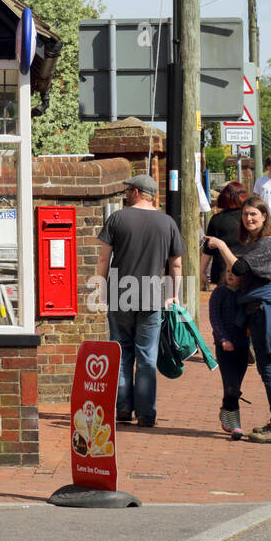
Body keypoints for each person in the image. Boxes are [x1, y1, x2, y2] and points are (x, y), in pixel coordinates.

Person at [96, 174, 185, 428]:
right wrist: (172, 295)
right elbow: (175, 264)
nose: (125, 195)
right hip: (152, 296)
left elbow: (104, 259)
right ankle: (146, 414)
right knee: (147, 357)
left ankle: (123, 408)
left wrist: (102, 289)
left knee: (122, 354)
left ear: (136, 192)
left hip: (120, 295)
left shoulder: (117, 219)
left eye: (127, 191)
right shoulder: (167, 223)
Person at [206, 197, 271, 443]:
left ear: (264, 217)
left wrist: (220, 245)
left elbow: (238, 269)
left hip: (263, 309)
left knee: (268, 368)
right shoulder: (258, 244)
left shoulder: (268, 244)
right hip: (255, 311)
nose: (248, 219)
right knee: (266, 368)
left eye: (254, 215)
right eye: (246, 215)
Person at [208, 269, 249, 438]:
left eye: (235, 273)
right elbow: (214, 318)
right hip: (224, 347)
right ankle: (236, 425)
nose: (230, 275)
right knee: (231, 386)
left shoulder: (246, 294)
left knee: (235, 386)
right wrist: (223, 339)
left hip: (243, 346)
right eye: (228, 272)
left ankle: (226, 410)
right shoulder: (219, 292)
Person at [200, 180, 247, 289]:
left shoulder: (216, 220)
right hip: (245, 268)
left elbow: (208, 250)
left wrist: (202, 271)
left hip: (223, 271)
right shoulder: (248, 217)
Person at [253, 155, 271, 222]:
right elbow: (256, 200)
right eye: (269, 165)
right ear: (266, 167)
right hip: (264, 217)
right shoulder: (259, 181)